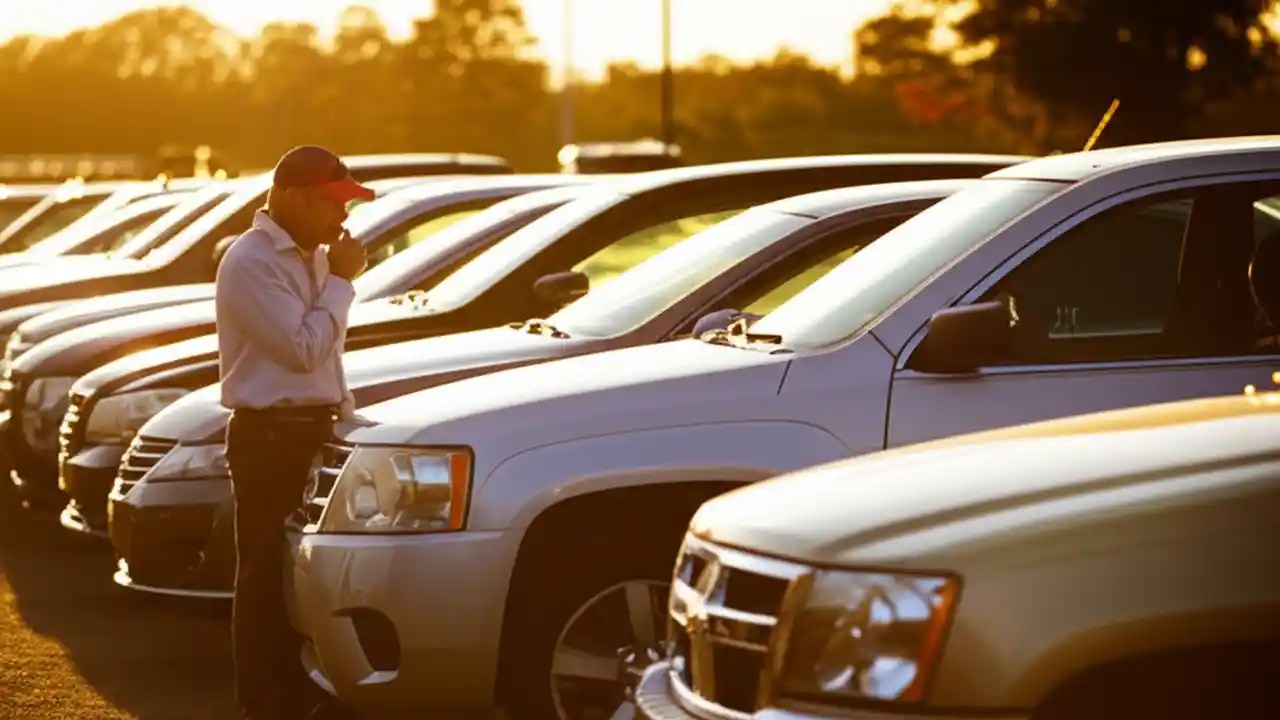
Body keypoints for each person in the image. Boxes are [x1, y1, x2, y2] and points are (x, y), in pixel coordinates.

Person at [214, 145, 371, 720]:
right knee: (262, 574)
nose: (342, 218)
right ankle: (264, 702)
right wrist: (344, 283)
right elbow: (303, 350)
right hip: (270, 438)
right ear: (295, 198)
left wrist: (343, 415)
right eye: (333, 204)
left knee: (303, 572)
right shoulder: (251, 261)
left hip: (309, 431)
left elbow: (326, 357)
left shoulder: (311, 256)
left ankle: (296, 690)